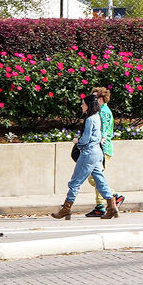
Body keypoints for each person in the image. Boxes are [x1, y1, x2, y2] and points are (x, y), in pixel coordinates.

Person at [53, 91, 117, 220]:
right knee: (100, 180)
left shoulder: (89, 119)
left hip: (88, 153)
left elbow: (86, 138)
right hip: (98, 152)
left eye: (83, 104)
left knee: (75, 182)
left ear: (88, 105)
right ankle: (111, 207)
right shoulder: (97, 117)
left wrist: (78, 142)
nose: (81, 106)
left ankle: (66, 208)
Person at [85, 86, 125, 217]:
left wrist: (97, 142)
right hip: (98, 148)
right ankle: (100, 206)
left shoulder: (104, 112)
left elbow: (105, 131)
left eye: (95, 97)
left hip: (103, 149)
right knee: (95, 177)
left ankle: (114, 196)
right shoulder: (97, 111)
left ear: (101, 99)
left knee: (95, 177)